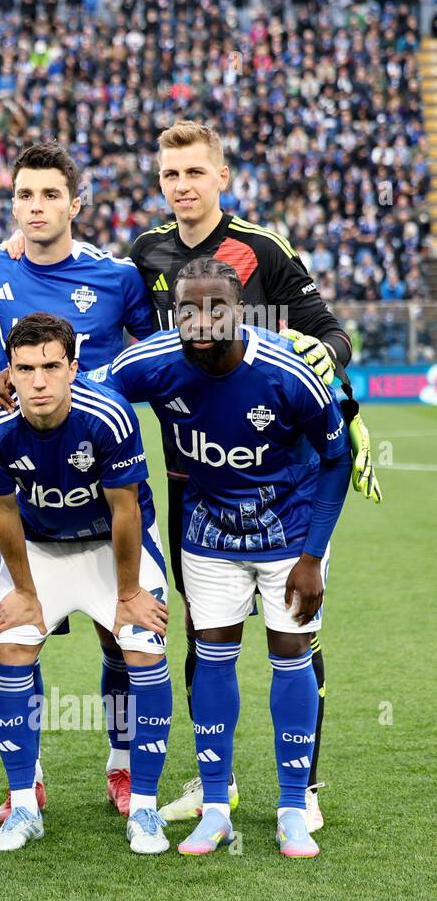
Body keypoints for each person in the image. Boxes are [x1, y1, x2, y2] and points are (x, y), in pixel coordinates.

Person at [128, 121, 375, 830]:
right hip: (192, 475)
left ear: (222, 177)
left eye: (194, 173)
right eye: (171, 174)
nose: (182, 186)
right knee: (206, 632)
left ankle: (308, 788)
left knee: (295, 633)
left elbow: (331, 330)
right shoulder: (147, 253)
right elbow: (131, 346)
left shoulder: (262, 249)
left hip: (276, 474)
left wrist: (321, 361)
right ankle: (219, 789)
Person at [98, 258, 350, 858]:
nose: (202, 320)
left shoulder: (286, 374)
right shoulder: (150, 362)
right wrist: (11, 384)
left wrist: (313, 556)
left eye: (217, 307)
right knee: (211, 655)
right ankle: (215, 811)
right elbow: (92, 401)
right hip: (208, 534)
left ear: (242, 309)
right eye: (188, 308)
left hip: (289, 537)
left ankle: (293, 808)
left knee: (290, 653)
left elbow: (336, 459)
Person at [0, 142, 155, 820]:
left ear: (77, 203)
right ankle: (29, 779)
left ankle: (124, 766)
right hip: (24, 486)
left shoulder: (117, 277)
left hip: (103, 482)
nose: (37, 207)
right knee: (21, 630)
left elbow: (157, 352)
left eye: (51, 195)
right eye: (25, 196)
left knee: (120, 636)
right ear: (11, 204)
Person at [0, 313, 171, 854]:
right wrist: (26, 592)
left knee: (143, 654)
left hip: (113, 547)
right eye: (25, 368)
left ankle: (144, 806)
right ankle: (24, 805)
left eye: (51, 367)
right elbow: (2, 512)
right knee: (11, 650)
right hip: (37, 551)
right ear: (8, 371)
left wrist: (129, 594)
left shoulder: (108, 415)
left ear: (73, 369)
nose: (38, 381)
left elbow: (126, 510)